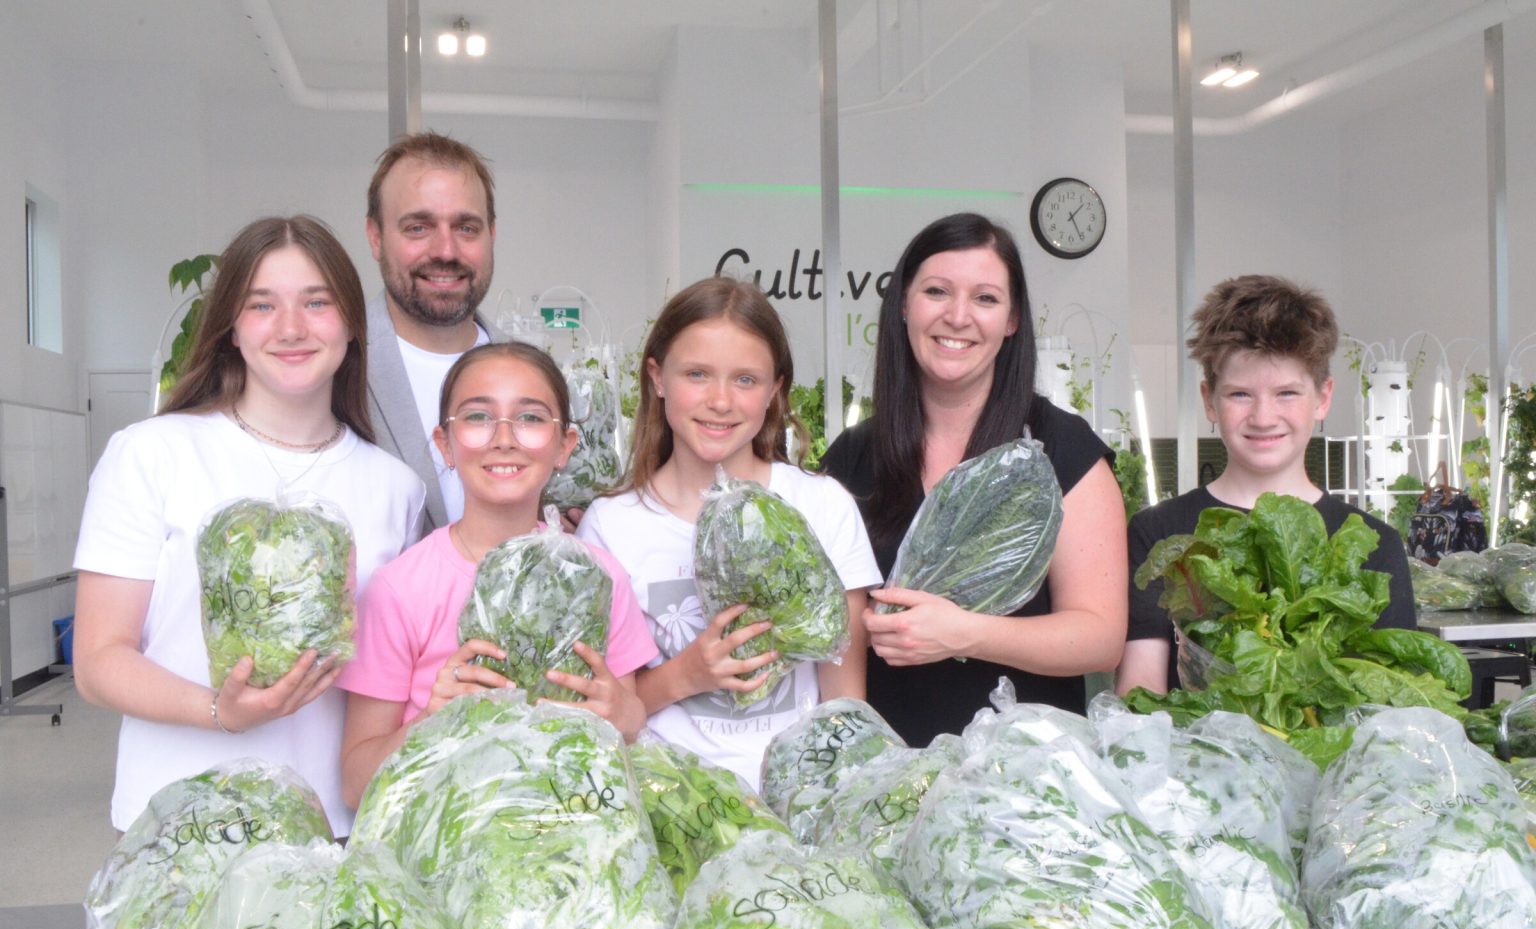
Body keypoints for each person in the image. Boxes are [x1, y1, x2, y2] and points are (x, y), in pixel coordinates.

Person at [73, 216, 426, 834]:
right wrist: (220, 710)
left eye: (317, 302)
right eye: (262, 305)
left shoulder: (394, 487)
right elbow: (99, 660)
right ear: (232, 328)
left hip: (334, 827)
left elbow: (396, 673)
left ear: (350, 323)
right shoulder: (151, 454)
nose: (292, 327)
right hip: (180, 822)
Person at [822, 212, 1127, 746]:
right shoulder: (852, 459)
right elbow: (828, 635)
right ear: (903, 307)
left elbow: (1100, 639)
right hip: (886, 783)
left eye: (985, 298)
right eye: (937, 291)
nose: (958, 316)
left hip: (1024, 780)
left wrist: (965, 633)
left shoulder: (1061, 450)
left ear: (1011, 320)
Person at [576, 277, 881, 788]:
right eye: (697, 374)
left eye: (745, 380)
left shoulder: (822, 505)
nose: (720, 400)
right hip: (673, 804)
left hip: (795, 803)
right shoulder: (611, 525)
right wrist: (689, 673)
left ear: (775, 392)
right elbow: (606, 712)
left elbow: (845, 701)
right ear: (657, 377)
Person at [337, 343, 655, 807]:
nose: (503, 438)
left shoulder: (598, 578)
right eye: (478, 417)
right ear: (444, 443)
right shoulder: (399, 589)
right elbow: (353, 785)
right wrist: (431, 717)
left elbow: (626, 732)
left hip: (569, 839)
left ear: (564, 446)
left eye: (529, 418)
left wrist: (625, 714)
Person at [1116, 274, 1416, 695]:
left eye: (1287, 393)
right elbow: (1140, 693)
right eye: (1240, 394)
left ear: (1323, 397)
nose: (1262, 416)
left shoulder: (1372, 543)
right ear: (1209, 400)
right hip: (1194, 758)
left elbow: (1389, 699)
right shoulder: (1156, 533)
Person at [364, 131, 502, 533]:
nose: (445, 251)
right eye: (418, 228)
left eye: (466, 228)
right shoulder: (334, 368)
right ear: (376, 237)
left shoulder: (536, 376)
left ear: (492, 235)